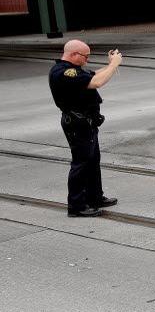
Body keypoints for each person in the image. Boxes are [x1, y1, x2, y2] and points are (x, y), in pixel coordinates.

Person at [49, 40, 122, 218]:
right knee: (81, 163)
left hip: (86, 122)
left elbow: (94, 74)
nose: (87, 60)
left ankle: (94, 196)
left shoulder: (73, 69)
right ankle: (76, 206)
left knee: (92, 160)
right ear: (74, 54)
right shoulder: (64, 72)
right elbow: (96, 82)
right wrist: (114, 64)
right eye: (86, 56)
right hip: (77, 123)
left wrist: (110, 65)